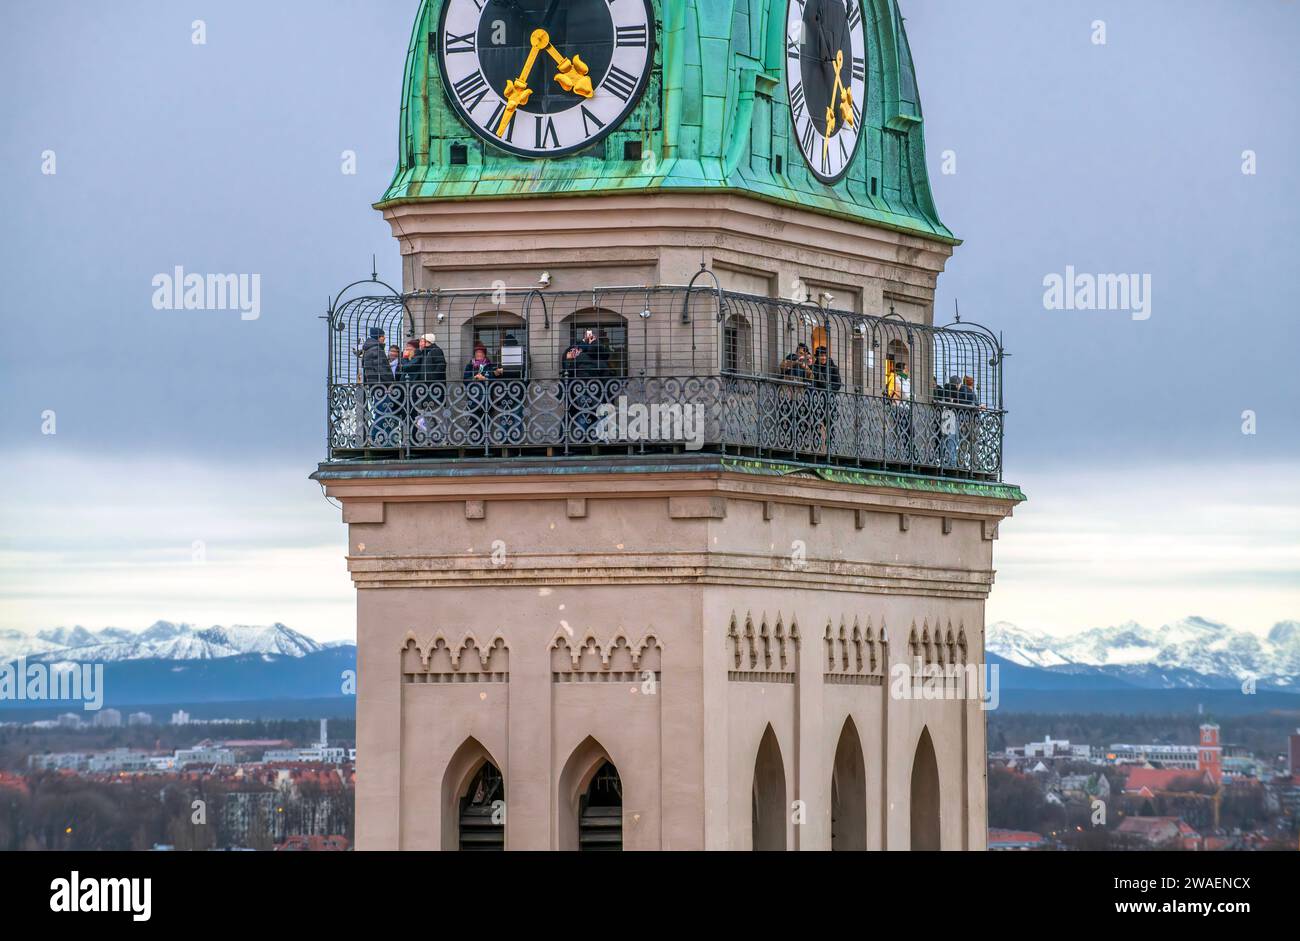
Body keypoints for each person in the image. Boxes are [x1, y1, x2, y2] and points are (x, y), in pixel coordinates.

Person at [810, 346, 841, 450]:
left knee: (830, 425)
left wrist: (828, 389)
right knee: (816, 423)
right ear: (817, 357)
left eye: (824, 355)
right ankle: (816, 445)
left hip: (829, 400)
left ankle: (831, 447)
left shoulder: (833, 368)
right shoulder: (814, 368)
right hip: (817, 400)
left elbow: (838, 384)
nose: (823, 358)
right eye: (821, 356)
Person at [937, 375, 961, 469]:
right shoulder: (954, 391)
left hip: (944, 414)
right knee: (952, 438)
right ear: (956, 384)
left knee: (945, 438)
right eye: (959, 384)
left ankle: (944, 460)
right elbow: (956, 404)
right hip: (951, 415)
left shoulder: (944, 389)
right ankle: (951, 462)